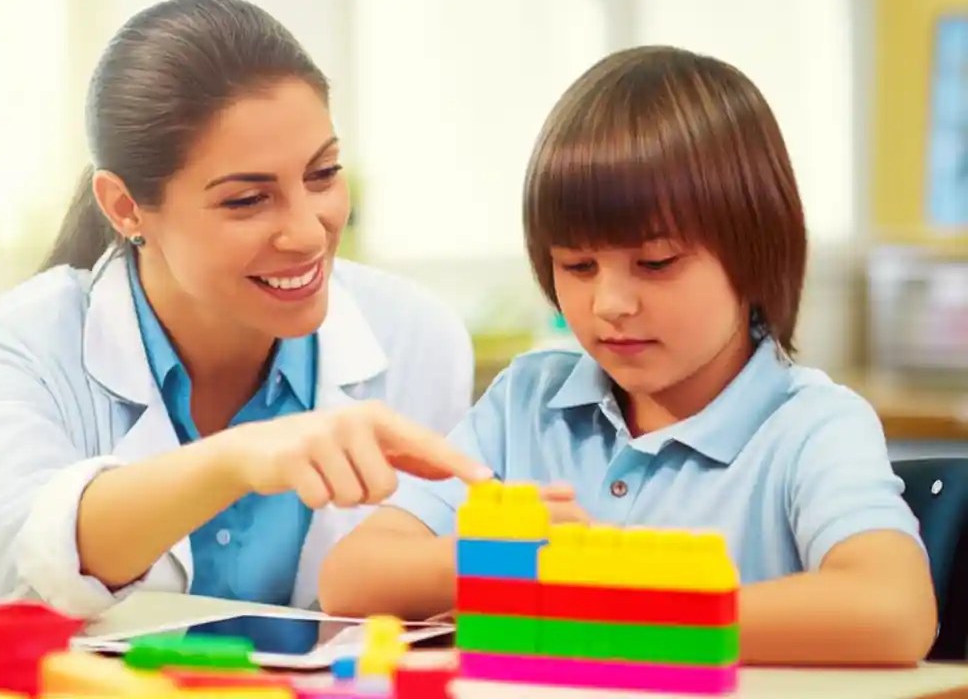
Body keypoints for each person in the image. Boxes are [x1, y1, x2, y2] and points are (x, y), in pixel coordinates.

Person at [318, 46, 938, 666]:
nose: (610, 304)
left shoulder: (811, 426)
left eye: (656, 263)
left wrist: (607, 606)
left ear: (758, 252)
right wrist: (510, 559)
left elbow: (893, 611)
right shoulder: (527, 404)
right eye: (577, 266)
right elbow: (351, 578)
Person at [0, 0, 491, 619]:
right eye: (247, 201)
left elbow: (426, 598)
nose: (308, 233)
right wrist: (236, 460)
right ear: (125, 207)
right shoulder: (19, 340)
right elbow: (14, 569)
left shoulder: (416, 335)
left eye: (322, 174)